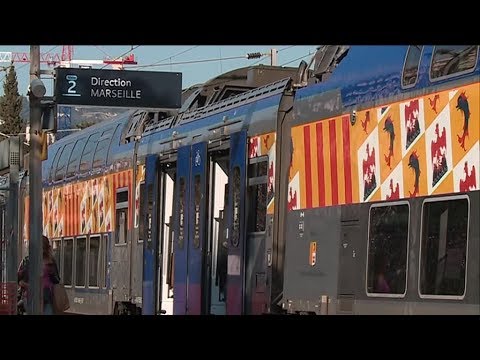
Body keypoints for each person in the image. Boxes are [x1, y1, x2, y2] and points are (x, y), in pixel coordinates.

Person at [17, 235, 60, 315]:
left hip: (47, 295)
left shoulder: (51, 261)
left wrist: (51, 273)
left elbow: (57, 280)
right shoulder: (26, 261)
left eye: (43, 247)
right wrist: (26, 285)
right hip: (31, 296)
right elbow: (18, 279)